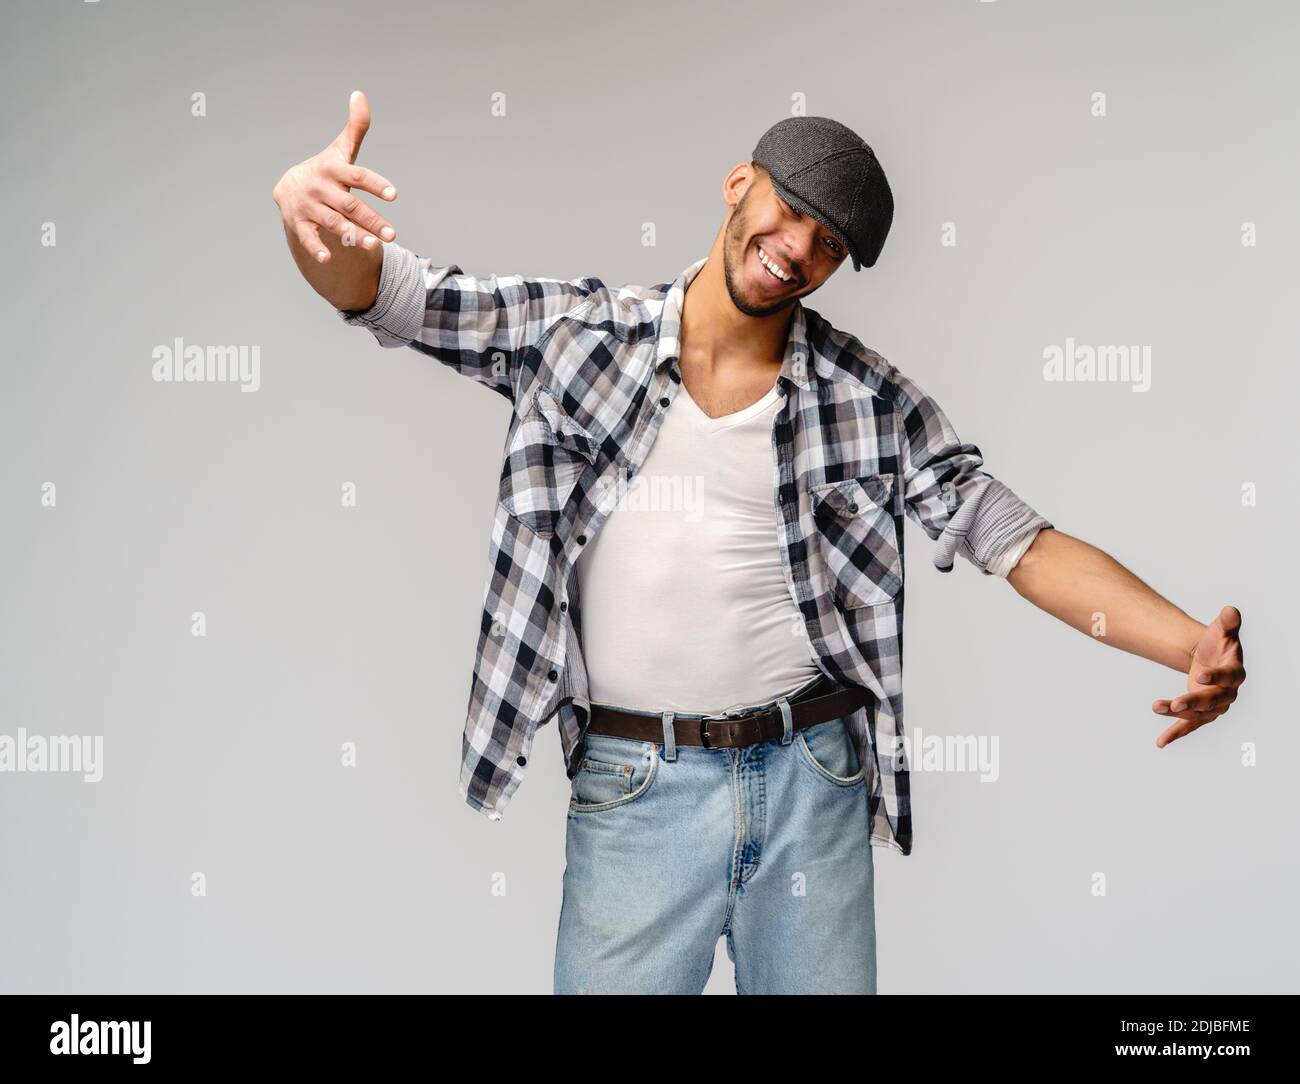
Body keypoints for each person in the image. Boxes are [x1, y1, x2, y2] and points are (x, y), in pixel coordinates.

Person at [271, 90, 1247, 995]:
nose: (794, 251)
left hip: (810, 784)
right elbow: (395, 295)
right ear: (740, 184)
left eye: (826, 246)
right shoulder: (577, 336)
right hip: (639, 785)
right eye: (787, 213)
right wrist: (306, 217)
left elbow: (1017, 541)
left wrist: (1188, 641)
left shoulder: (865, 399)